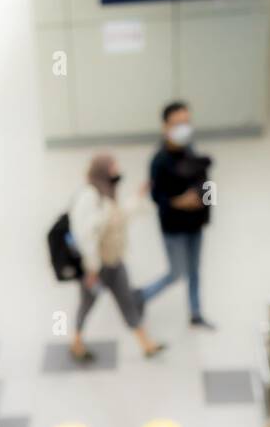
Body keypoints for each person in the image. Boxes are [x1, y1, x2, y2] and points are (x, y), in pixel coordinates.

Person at [69, 154, 165, 362]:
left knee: (127, 301)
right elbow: (86, 235)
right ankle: (76, 342)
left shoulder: (108, 193)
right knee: (86, 304)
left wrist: (138, 198)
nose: (117, 172)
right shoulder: (89, 197)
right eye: (113, 168)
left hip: (114, 261)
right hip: (95, 267)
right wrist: (92, 267)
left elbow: (118, 216)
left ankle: (146, 344)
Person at [140, 101, 215, 329]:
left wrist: (203, 201)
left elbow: (206, 183)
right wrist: (179, 201)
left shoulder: (191, 151)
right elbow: (156, 196)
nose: (184, 128)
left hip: (195, 223)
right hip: (174, 228)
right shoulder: (159, 160)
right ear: (165, 126)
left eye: (187, 122)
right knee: (176, 272)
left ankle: (196, 314)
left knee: (194, 271)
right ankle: (139, 297)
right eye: (177, 123)